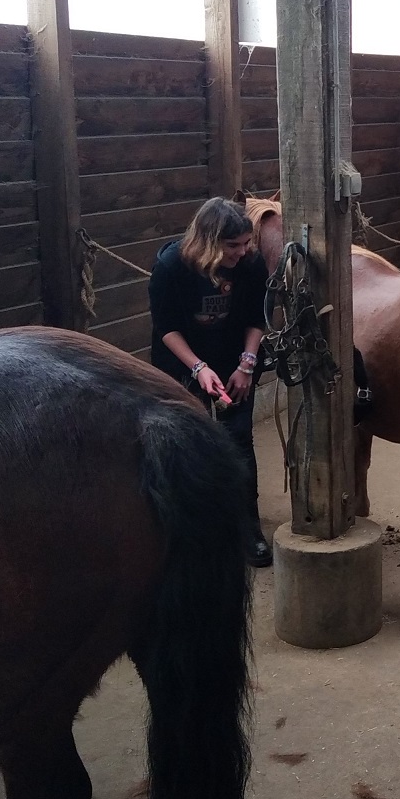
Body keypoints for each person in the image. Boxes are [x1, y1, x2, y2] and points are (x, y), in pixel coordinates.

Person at [148, 197, 271, 567]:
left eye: (246, 243)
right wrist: (198, 368)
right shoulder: (171, 266)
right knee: (189, 442)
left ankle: (247, 526)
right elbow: (166, 328)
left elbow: (257, 316)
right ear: (209, 241)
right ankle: (194, 529)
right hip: (183, 362)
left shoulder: (250, 264)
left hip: (236, 360)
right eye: (233, 246)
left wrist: (247, 364)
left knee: (239, 438)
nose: (243, 251)